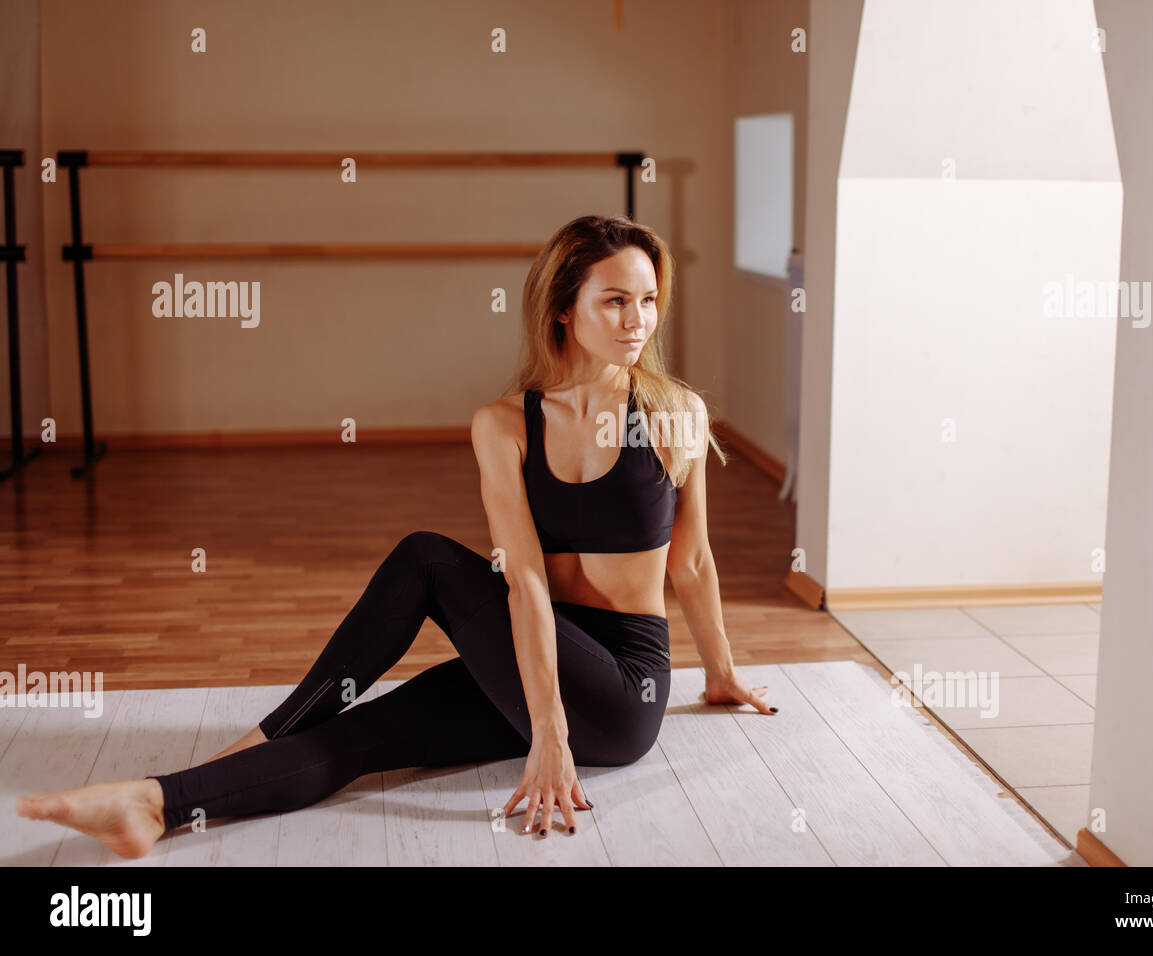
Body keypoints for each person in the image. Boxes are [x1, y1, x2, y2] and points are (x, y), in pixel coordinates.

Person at [15, 214, 776, 859]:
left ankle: (262, 736)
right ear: (563, 310)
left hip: (620, 690)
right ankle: (157, 803)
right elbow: (528, 583)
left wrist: (717, 674)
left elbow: (695, 561)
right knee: (367, 738)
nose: (638, 320)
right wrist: (544, 724)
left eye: (647, 300)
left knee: (426, 557)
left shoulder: (676, 414)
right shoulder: (506, 425)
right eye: (615, 301)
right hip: (532, 651)